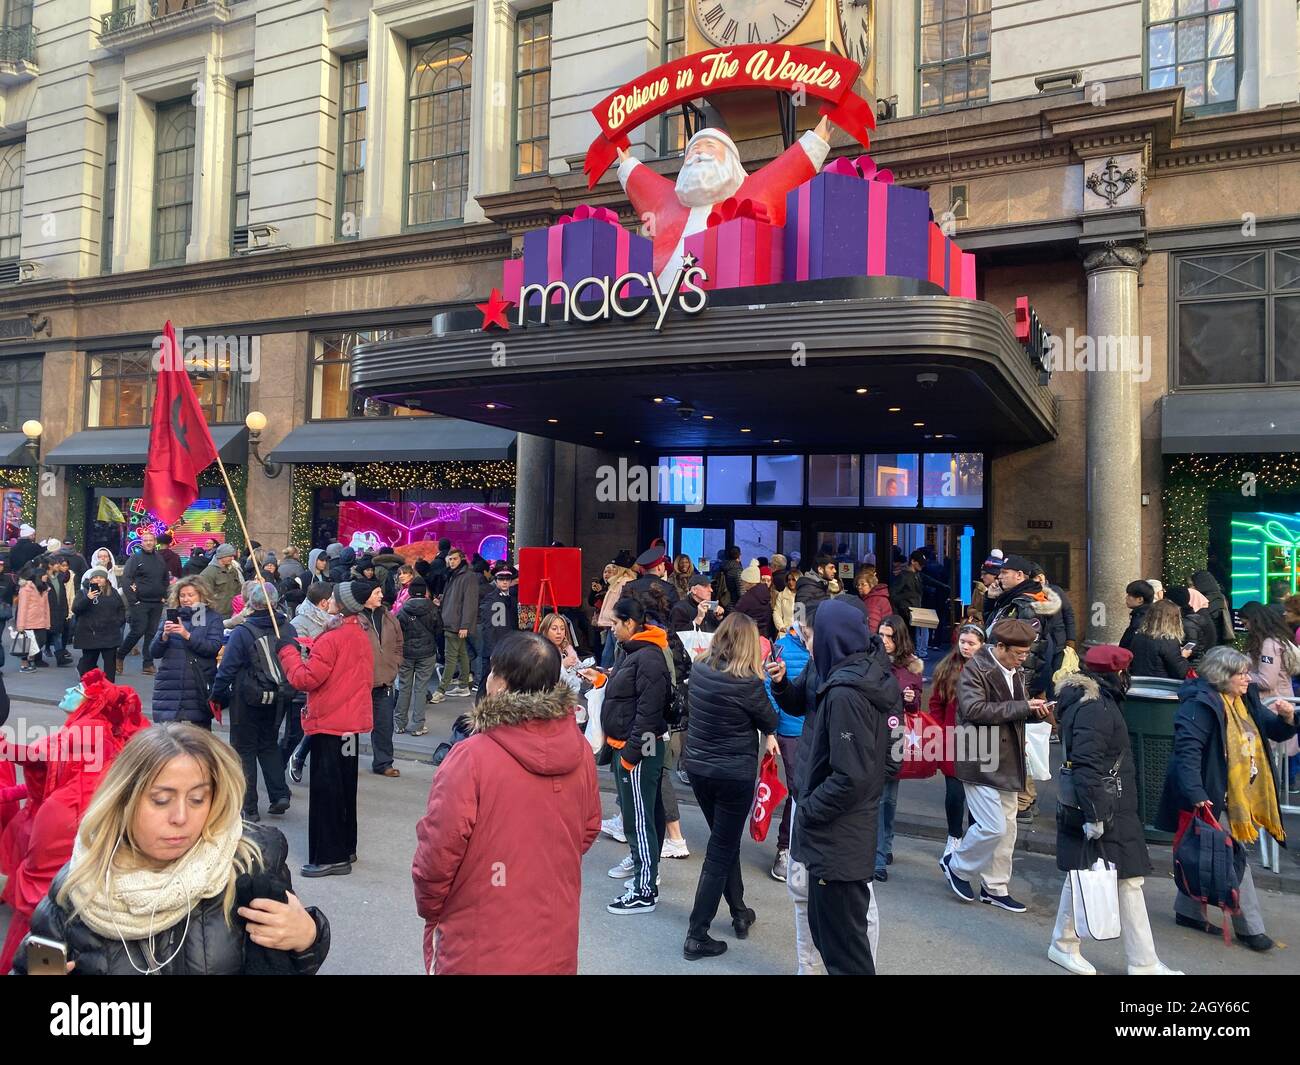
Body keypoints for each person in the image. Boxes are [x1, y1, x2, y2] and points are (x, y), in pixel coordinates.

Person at [13, 723, 330, 975]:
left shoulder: (249, 864)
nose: (181, 818)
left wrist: (308, 938)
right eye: (161, 800)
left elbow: (286, 961)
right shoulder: (76, 888)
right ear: (124, 799)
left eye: (197, 799)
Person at [412, 632, 600, 974]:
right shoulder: (580, 750)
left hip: (481, 937)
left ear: (500, 683)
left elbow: (438, 852)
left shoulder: (471, 756)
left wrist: (432, 906)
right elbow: (587, 830)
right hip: (555, 933)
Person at [768, 598, 895, 975]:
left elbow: (852, 776)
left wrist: (807, 809)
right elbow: (799, 702)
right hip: (832, 829)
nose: (806, 638)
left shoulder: (847, 690)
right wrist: (780, 685)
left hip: (836, 832)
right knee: (829, 935)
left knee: (844, 948)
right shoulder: (834, 668)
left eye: (813, 632)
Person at [1049, 645, 1182, 976]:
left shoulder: (1085, 700)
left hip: (1103, 804)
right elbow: (1087, 763)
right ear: (1118, 674)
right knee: (1127, 881)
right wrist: (1095, 814)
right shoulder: (1098, 707)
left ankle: (1065, 944)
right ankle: (1142, 962)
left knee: (1090, 875)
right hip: (1107, 807)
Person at [1156, 645, 1297, 950]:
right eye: (1241, 674)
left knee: (1203, 850)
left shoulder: (1243, 699)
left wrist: (1287, 719)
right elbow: (1187, 752)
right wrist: (1196, 794)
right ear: (1222, 675)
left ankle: (1188, 911)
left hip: (1239, 793)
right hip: (1212, 793)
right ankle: (1251, 928)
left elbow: (1270, 729)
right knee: (1232, 857)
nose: (1249, 678)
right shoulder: (1200, 705)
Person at [677, 614, 779, 959]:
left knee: (725, 841)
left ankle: (739, 913)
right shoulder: (747, 682)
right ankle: (697, 933)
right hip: (733, 773)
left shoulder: (702, 669)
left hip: (699, 769)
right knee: (721, 849)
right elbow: (770, 720)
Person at [941, 618, 1053, 913]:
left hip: (1004, 758)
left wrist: (1036, 712)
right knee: (993, 826)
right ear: (1000, 647)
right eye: (1019, 653)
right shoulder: (975, 670)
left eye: (1026, 653)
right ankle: (958, 865)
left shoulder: (1011, 669)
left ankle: (995, 887)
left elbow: (1013, 709)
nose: (1023, 659)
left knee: (1008, 828)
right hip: (980, 756)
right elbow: (974, 710)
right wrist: (1023, 707)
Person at [277, 580, 376, 877]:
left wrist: (287, 653)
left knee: (327, 792)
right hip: (350, 722)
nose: (329, 599)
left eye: (334, 597)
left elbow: (305, 679)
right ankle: (346, 847)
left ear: (342, 605)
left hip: (331, 722)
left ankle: (330, 856)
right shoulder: (357, 632)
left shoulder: (333, 638)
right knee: (345, 789)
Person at [600, 596, 672, 914]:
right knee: (643, 817)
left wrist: (630, 755)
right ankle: (646, 877)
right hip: (631, 747)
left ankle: (645, 890)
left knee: (639, 821)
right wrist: (604, 680)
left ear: (630, 623)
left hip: (638, 751)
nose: (613, 629)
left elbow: (649, 712)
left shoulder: (648, 657)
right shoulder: (637, 653)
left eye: (616, 623)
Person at [211, 582, 292, 822]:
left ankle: (249, 806)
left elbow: (228, 668)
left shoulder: (243, 632)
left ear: (251, 604)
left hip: (247, 698)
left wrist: (216, 694)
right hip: (279, 696)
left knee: (244, 750)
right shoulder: (286, 628)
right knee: (269, 745)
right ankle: (279, 795)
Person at [928, 623, 985, 858]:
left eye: (971, 643)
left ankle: (972, 840)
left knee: (977, 799)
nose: (965, 647)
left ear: (981, 645)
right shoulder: (947, 669)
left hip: (981, 743)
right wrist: (939, 732)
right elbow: (936, 704)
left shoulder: (989, 669)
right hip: (953, 740)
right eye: (963, 642)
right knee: (954, 795)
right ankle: (954, 836)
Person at [874, 614, 922, 880]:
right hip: (873, 733)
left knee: (890, 799)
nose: (885, 641)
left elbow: (915, 707)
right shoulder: (871, 661)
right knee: (880, 800)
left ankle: (887, 845)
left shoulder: (911, 668)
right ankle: (878, 858)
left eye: (890, 636)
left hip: (898, 736)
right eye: (881, 634)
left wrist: (911, 698)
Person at [148, 578, 225, 730]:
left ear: (202, 596)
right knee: (169, 741)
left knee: (199, 740)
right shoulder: (170, 617)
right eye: (182, 596)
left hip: (197, 683)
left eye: (191, 595)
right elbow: (154, 652)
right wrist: (163, 636)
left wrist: (187, 635)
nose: (186, 599)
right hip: (170, 683)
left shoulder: (212, 618)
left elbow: (213, 648)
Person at [767, 613, 810, 883]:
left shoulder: (824, 649)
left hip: (817, 729)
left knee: (807, 790)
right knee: (797, 789)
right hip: (790, 730)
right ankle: (785, 849)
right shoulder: (781, 647)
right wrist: (770, 732)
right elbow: (769, 688)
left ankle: (801, 846)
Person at [359, 581, 403, 778]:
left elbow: (399, 643)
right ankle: (346, 762)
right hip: (360, 681)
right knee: (350, 725)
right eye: (376, 592)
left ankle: (384, 763)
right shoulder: (355, 618)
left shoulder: (389, 617)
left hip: (385, 680)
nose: (380, 596)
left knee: (384, 725)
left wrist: (396, 663)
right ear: (366, 596)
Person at [117, 530, 170, 677]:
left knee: (151, 634)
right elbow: (126, 579)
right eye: (145, 540)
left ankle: (148, 664)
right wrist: (134, 600)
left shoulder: (159, 558)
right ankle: (120, 656)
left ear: (155, 542)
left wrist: (164, 595)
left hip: (157, 603)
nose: (148, 542)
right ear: (141, 542)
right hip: (140, 603)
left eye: (151, 540)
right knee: (137, 631)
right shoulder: (135, 558)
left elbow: (165, 578)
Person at [394, 578, 441, 737]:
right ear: (425, 592)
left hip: (406, 654)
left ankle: (399, 724)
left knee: (404, 687)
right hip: (427, 653)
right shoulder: (433, 609)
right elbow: (439, 630)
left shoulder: (403, 610)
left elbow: (397, 633)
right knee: (421, 689)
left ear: (411, 592)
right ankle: (418, 726)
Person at [430, 548, 477, 701]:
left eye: (455, 559)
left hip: (455, 623)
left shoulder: (466, 577)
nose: (451, 562)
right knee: (461, 653)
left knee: (451, 657)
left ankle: (441, 690)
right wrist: (442, 603)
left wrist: (465, 625)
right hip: (453, 621)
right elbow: (458, 600)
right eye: (450, 559)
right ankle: (464, 684)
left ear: (462, 559)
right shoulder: (455, 575)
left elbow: (469, 603)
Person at [71, 567, 126, 683]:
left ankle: (109, 689)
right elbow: (76, 609)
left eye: (101, 577)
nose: (98, 580)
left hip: (110, 634)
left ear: (106, 580)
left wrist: (118, 621)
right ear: (91, 580)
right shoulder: (83, 592)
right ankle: (88, 686)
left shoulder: (113, 592)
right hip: (91, 634)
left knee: (110, 665)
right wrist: (88, 599)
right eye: (95, 577)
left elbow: (121, 608)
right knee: (89, 663)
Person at [1239, 600, 1300, 704]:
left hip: (1274, 705)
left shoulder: (1269, 645)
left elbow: (1267, 681)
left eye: (1245, 623)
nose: (1245, 627)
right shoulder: (1270, 641)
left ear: (1255, 621)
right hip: (1274, 702)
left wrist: (1240, 676)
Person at [475, 566, 519, 705]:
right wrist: (493, 650)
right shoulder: (491, 599)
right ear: (496, 580)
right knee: (487, 679)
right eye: (501, 579)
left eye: (507, 579)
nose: (505, 582)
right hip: (495, 647)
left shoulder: (512, 598)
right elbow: (490, 628)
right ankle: (480, 710)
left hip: (508, 645)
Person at [1127, 599, 1192, 680]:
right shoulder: (1168, 641)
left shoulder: (1137, 636)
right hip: (1161, 686)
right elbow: (1180, 673)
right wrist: (1183, 657)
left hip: (1137, 683)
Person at [15, 560, 51, 672]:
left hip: (40, 621)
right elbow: (22, 608)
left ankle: (31, 658)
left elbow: (46, 608)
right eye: (45, 575)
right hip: (28, 621)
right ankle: (25, 663)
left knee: (41, 640)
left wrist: (47, 623)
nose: (47, 576)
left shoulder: (44, 589)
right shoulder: (26, 589)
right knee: (26, 643)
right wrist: (20, 625)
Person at [1165, 585, 1215, 664]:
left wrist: (1179, 653)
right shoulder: (1192, 616)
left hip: (1191, 664)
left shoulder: (1188, 622)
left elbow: (1192, 647)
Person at [733, 560, 774, 639]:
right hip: (763, 635)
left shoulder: (747, 598)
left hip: (748, 636)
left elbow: (734, 616)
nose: (742, 584)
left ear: (749, 582)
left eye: (743, 581)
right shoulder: (765, 594)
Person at [201, 543, 243, 619]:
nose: (232, 558)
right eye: (230, 556)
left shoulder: (233, 571)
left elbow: (238, 591)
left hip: (232, 614)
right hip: (216, 616)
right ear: (222, 556)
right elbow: (202, 597)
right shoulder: (208, 573)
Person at [1191, 570, 1233, 645]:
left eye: (1193, 585)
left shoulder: (1209, 600)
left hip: (1211, 642)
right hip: (1217, 641)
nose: (1191, 587)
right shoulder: (1219, 597)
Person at [1118, 580, 1155, 651]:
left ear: (1140, 599)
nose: (1126, 598)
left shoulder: (1140, 621)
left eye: (1129, 595)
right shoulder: (1143, 615)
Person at [772, 569, 799, 634]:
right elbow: (777, 612)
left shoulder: (804, 595)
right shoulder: (781, 595)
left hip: (801, 634)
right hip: (785, 632)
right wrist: (781, 627)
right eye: (789, 580)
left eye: (793, 580)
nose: (790, 582)